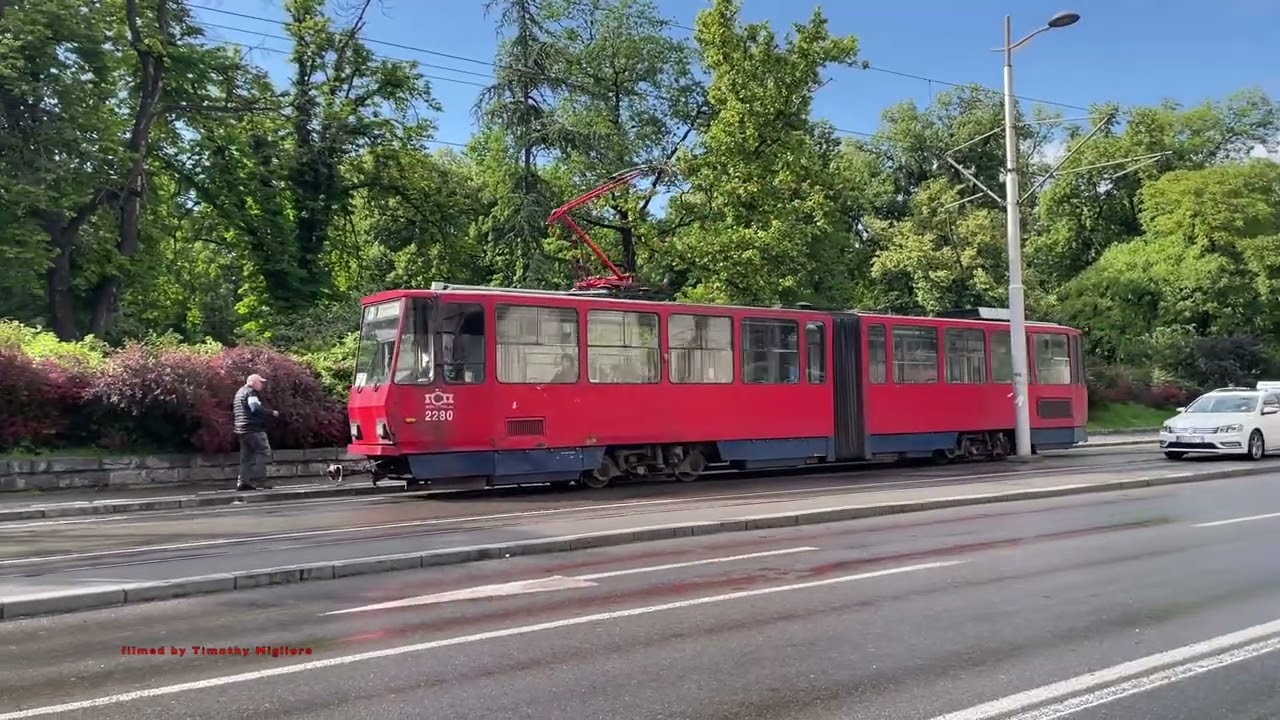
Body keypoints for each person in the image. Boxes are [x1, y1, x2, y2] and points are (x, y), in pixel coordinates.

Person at [232, 373, 279, 491]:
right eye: (260, 382)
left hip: (241, 429)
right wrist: (271, 412)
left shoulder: (239, 392)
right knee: (263, 453)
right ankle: (261, 481)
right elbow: (255, 408)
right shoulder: (250, 393)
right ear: (253, 382)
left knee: (246, 457)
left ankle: (243, 482)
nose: (262, 385)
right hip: (254, 429)